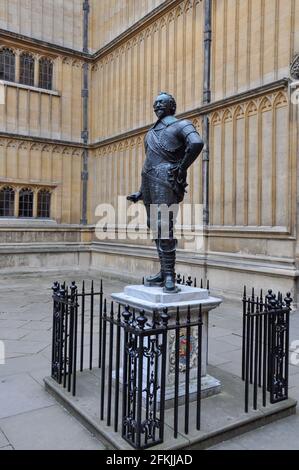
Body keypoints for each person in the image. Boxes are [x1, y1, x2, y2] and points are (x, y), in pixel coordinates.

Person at [127, 92, 204, 293]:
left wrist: (181, 167)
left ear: (172, 106)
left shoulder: (181, 125)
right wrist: (141, 191)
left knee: (164, 226)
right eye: (155, 103)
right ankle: (163, 271)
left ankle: (170, 274)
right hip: (149, 181)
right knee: (156, 228)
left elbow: (196, 143)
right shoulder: (150, 133)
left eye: (162, 102)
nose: (157, 105)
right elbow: (149, 161)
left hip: (166, 180)